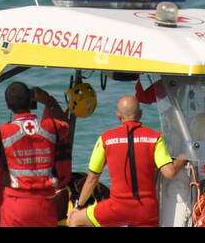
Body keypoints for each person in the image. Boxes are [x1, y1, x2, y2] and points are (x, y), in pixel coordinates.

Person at [67, 94, 188, 228]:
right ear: (140, 114)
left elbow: (92, 178)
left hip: (117, 208)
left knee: (75, 220)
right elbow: (169, 172)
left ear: (119, 116)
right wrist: (183, 158)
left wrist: (79, 206)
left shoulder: (106, 139)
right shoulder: (155, 138)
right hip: (146, 210)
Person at [0, 81, 71, 227]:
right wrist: (49, 100)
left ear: (8, 105)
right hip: (45, 202)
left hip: (16, 203)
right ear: (31, 100)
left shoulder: (3, 132)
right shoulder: (50, 127)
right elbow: (66, 125)